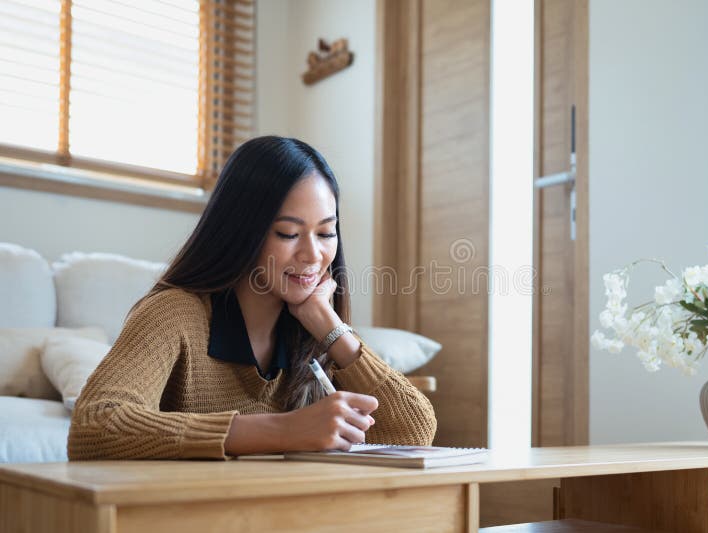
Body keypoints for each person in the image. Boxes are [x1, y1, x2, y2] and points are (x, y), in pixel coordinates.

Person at [67, 136, 437, 460]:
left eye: (326, 233)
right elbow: (94, 425)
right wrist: (282, 431)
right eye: (289, 233)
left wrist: (328, 324)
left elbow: (413, 430)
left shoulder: (310, 330)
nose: (312, 255)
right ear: (240, 233)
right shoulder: (174, 313)